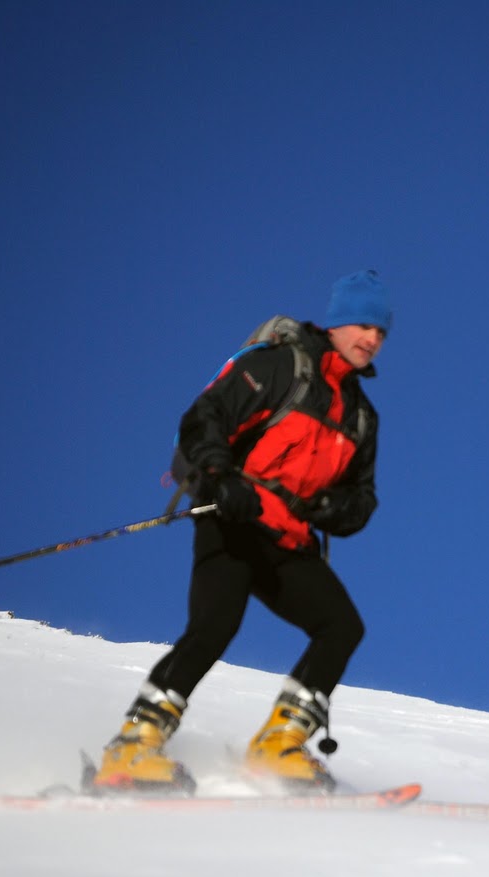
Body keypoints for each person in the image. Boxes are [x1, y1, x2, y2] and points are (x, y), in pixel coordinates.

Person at [92, 270, 390, 795]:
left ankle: (278, 744)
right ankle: (133, 746)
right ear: (338, 323)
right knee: (214, 626)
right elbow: (205, 416)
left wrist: (324, 506)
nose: (372, 339)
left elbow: (360, 501)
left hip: (286, 540)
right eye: (364, 325)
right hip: (232, 519)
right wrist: (219, 478)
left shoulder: (362, 416)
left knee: (341, 626)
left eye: (381, 332)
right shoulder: (280, 367)